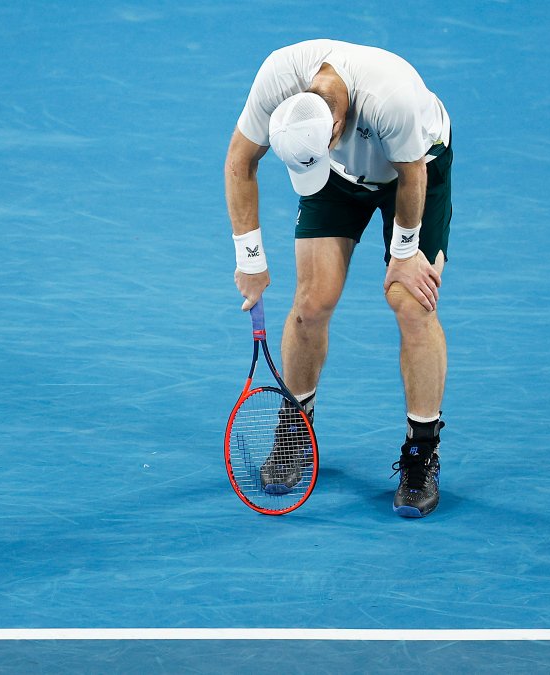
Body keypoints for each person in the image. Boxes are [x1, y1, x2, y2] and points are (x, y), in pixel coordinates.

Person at [224, 40, 453, 518]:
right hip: (339, 179)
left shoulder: (391, 97)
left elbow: (412, 176)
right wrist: (250, 259)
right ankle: (296, 426)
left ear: (335, 129)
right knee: (310, 304)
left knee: (411, 303)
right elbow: (239, 162)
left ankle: (421, 453)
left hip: (415, 169)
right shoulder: (277, 81)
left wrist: (405, 253)